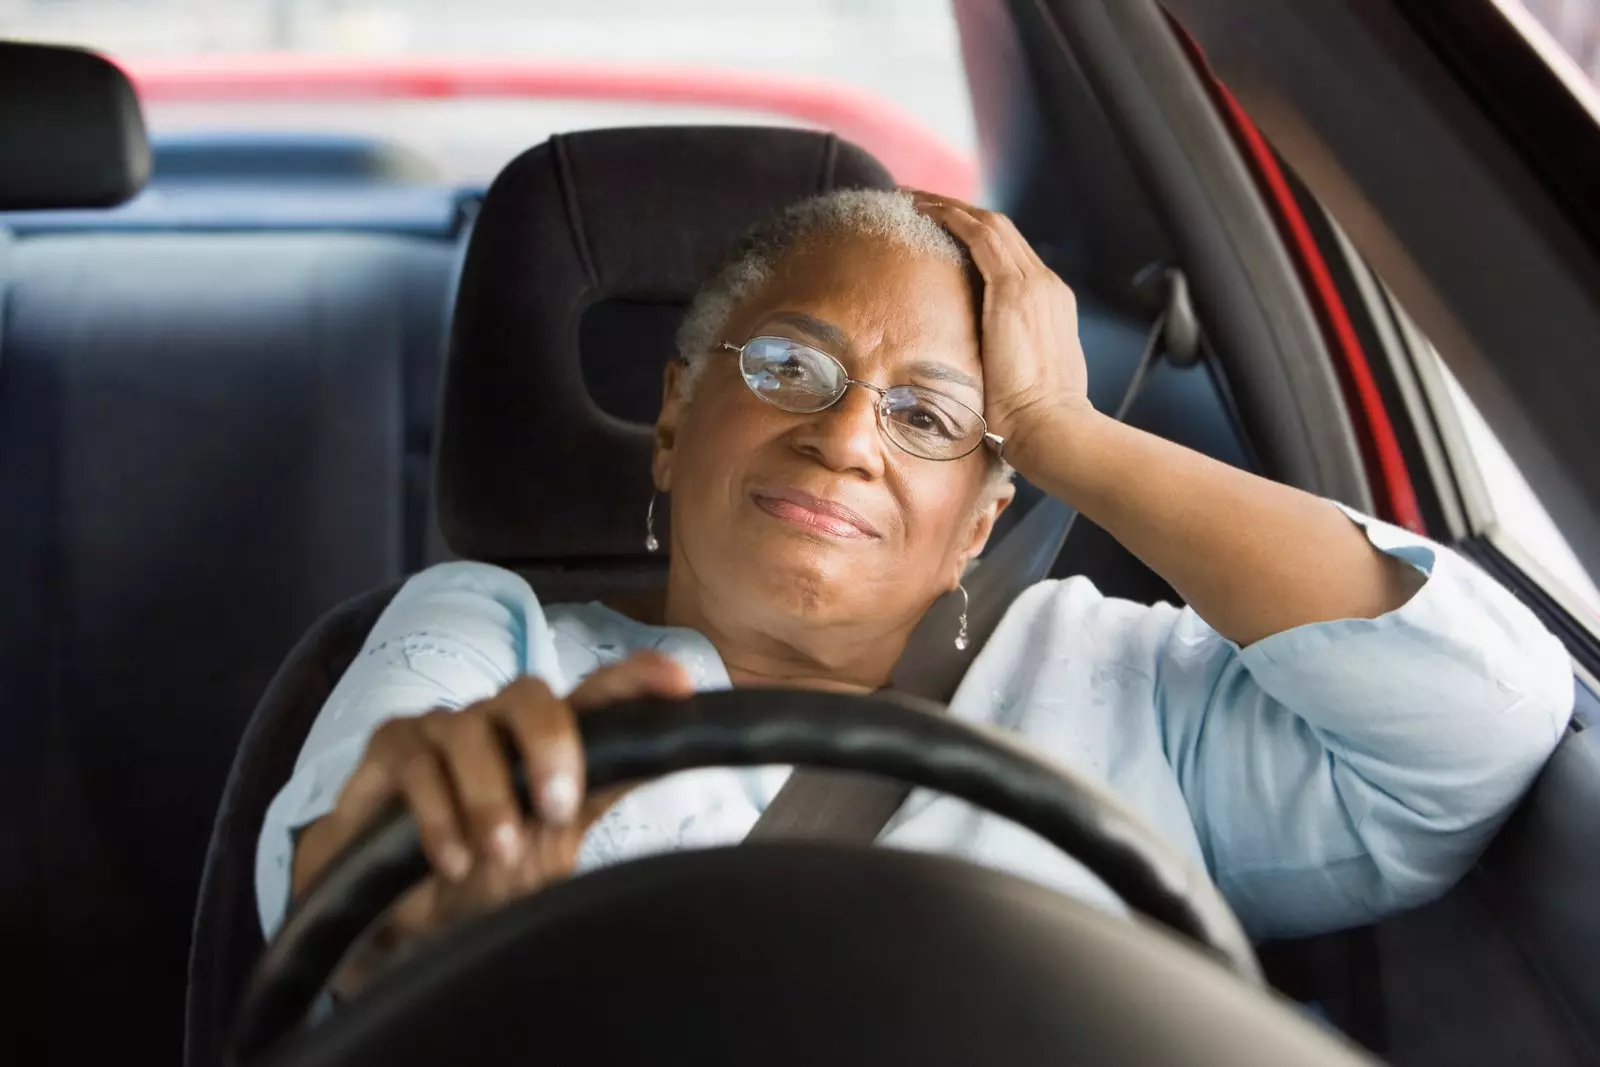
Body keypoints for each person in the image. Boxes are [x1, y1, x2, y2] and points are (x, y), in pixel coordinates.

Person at [257, 188, 1572, 986]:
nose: (845, 439)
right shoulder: (495, 632)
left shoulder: (1120, 682)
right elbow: (339, 874)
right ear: (673, 417)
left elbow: (1475, 723)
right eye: (787, 368)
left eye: (933, 420)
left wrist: (1066, 427)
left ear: (983, 516)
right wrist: (429, 899)